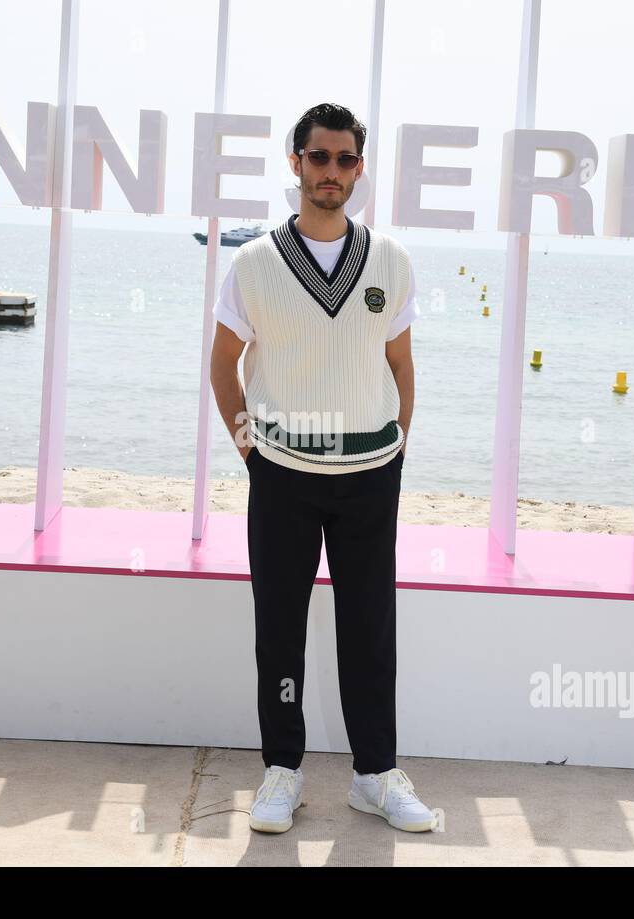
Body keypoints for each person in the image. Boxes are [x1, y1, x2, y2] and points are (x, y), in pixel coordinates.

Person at [209, 103, 436, 835]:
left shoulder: (393, 260)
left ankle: (375, 774)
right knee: (279, 625)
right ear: (296, 163)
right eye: (318, 158)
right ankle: (283, 770)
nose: (330, 172)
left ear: (359, 169)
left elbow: (401, 364)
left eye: (344, 160)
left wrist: (395, 445)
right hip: (282, 474)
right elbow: (223, 365)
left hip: (371, 474)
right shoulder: (253, 263)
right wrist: (251, 449)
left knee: (370, 627)